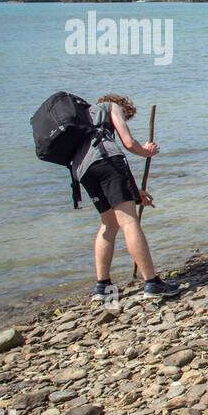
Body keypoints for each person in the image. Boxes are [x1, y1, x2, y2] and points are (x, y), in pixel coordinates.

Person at [74, 94, 182, 300]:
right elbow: (128, 143)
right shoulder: (111, 106)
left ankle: (102, 287)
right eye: (127, 115)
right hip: (107, 162)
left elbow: (106, 164)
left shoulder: (83, 119)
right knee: (129, 221)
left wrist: (134, 191)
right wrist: (147, 152)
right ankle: (152, 283)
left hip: (83, 170)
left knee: (109, 224)